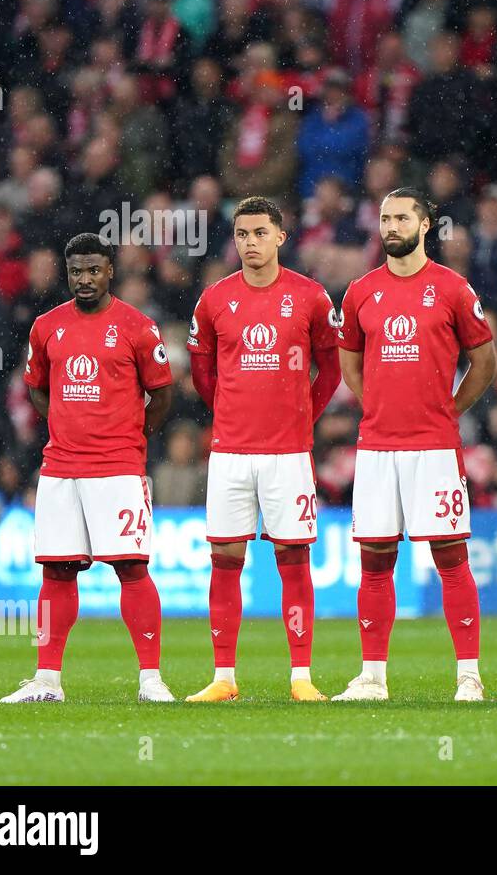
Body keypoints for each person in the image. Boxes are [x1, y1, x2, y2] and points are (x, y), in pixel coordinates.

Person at [332, 188, 496, 702]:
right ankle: (373, 678)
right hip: (378, 448)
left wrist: (449, 409)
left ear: (425, 225)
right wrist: (377, 403)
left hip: (435, 447)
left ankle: (469, 675)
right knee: (375, 560)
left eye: (402, 217)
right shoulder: (360, 291)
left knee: (451, 557)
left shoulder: (451, 288)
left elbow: (484, 361)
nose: (391, 226)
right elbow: (349, 364)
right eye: (384, 218)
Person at [3, 234, 175, 704]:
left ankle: (150, 680)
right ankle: (46, 681)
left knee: (131, 568)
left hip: (117, 469)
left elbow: (161, 393)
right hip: (60, 468)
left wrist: (133, 437)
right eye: (77, 271)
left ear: (110, 272)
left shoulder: (137, 327)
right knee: (57, 573)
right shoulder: (46, 327)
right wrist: (62, 420)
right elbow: (37, 386)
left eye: (93, 270)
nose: (84, 279)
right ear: (67, 272)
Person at [184, 196, 342, 703]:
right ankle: (223, 677)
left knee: (293, 560)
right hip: (230, 452)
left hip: (288, 454)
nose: (250, 243)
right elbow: (204, 375)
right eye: (242, 234)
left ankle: (301, 677)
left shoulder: (311, 297)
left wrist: (302, 416)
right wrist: (232, 413)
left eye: (259, 233)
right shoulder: (213, 300)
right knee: (225, 559)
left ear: (280, 236)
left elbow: (331, 369)